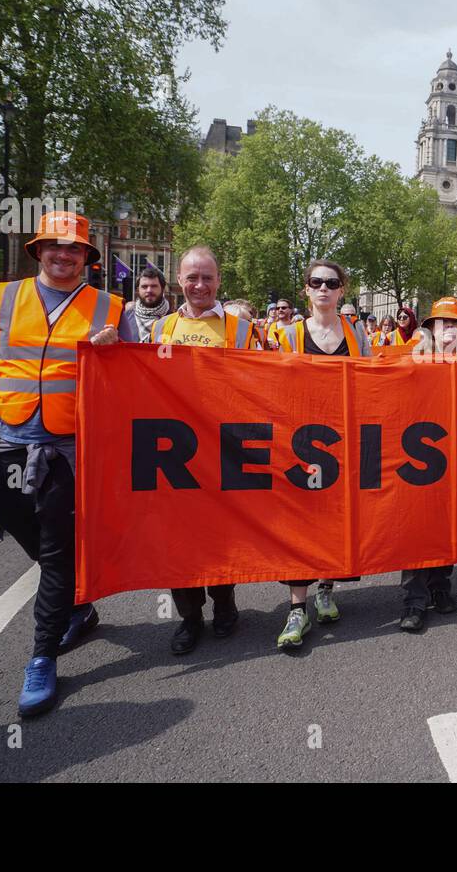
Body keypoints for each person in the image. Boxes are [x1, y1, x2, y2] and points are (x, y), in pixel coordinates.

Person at [0, 212, 133, 718]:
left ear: (87, 257)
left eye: (75, 250)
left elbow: (136, 381)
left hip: (71, 447)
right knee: (10, 518)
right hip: (14, 438)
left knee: (58, 548)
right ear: (38, 251)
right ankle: (77, 600)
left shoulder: (111, 307)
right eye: (55, 248)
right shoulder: (1, 298)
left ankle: (42, 656)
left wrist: (118, 353)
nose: (65, 256)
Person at [145, 247, 262, 653]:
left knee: (220, 535)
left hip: (224, 451)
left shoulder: (243, 331)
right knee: (179, 540)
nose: (199, 285)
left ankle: (225, 603)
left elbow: (265, 387)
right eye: (192, 277)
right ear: (179, 280)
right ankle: (189, 617)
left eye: (207, 278)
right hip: (174, 455)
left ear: (219, 281)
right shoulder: (160, 332)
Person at [274, 260, 373, 648]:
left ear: (342, 290)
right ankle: (297, 606)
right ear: (306, 289)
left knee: (335, 520)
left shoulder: (356, 332)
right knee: (299, 523)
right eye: (316, 282)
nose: (323, 288)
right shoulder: (289, 335)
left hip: (342, 443)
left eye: (331, 283)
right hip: (299, 443)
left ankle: (326, 589)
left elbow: (369, 384)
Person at [399, 296, 457, 632]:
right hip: (417, 462)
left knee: (447, 526)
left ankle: (441, 588)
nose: (448, 331)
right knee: (415, 531)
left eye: (455, 324)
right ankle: (413, 601)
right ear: (430, 330)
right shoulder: (411, 363)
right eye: (442, 324)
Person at [126, 266, 171, 340]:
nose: (149, 290)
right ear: (138, 289)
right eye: (144, 287)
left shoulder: (173, 319)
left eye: (154, 286)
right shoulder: (126, 318)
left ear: (163, 288)